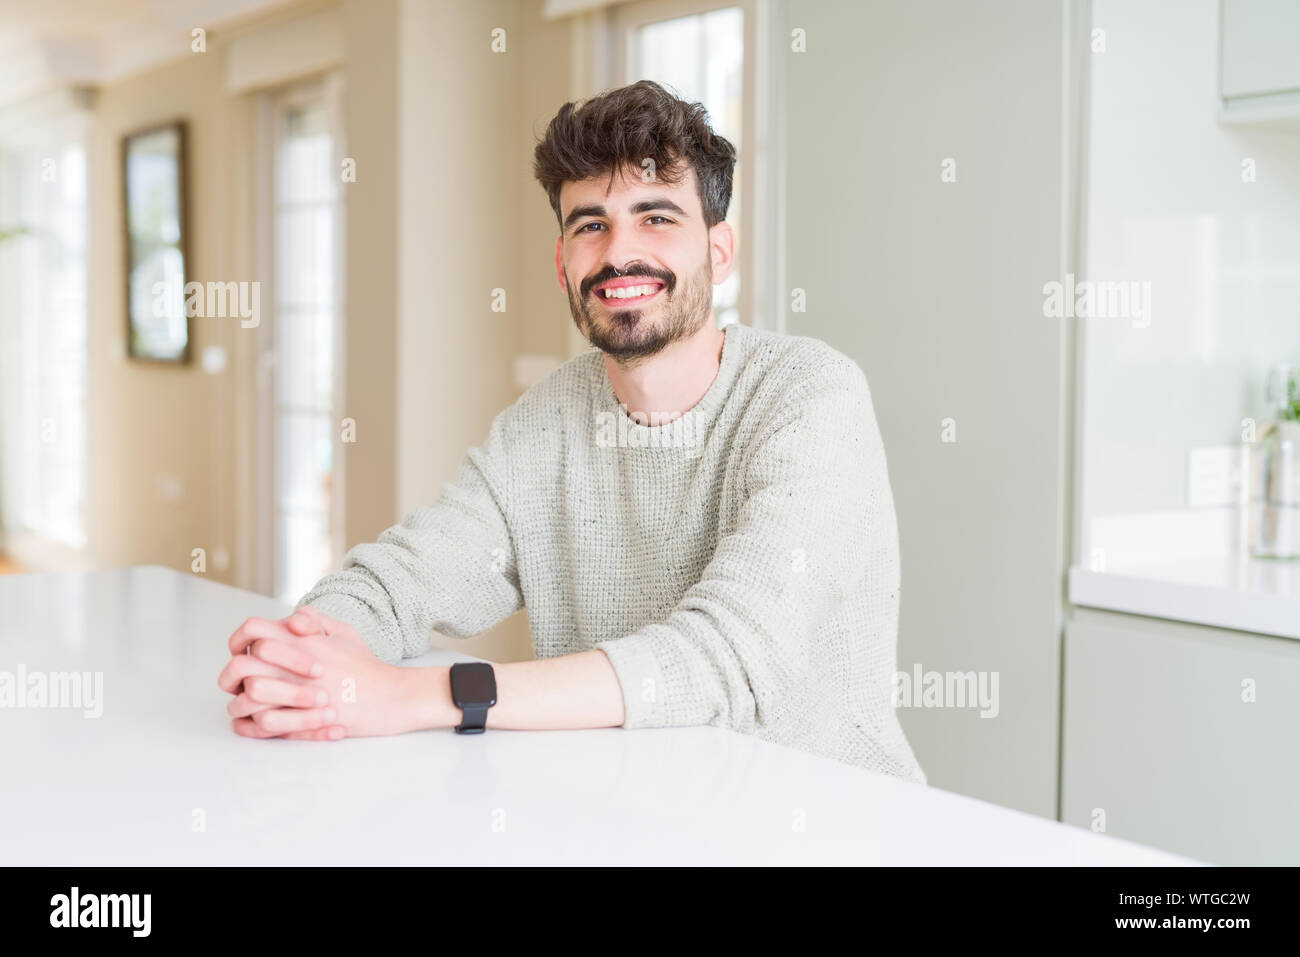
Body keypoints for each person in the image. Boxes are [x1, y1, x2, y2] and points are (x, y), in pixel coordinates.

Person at [217, 79, 925, 784]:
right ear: (563, 263)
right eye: (591, 224)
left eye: (656, 218)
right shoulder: (546, 421)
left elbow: (726, 655)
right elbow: (404, 577)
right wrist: (305, 659)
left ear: (718, 251)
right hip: (628, 820)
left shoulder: (811, 395)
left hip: (831, 829)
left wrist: (414, 696)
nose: (619, 254)